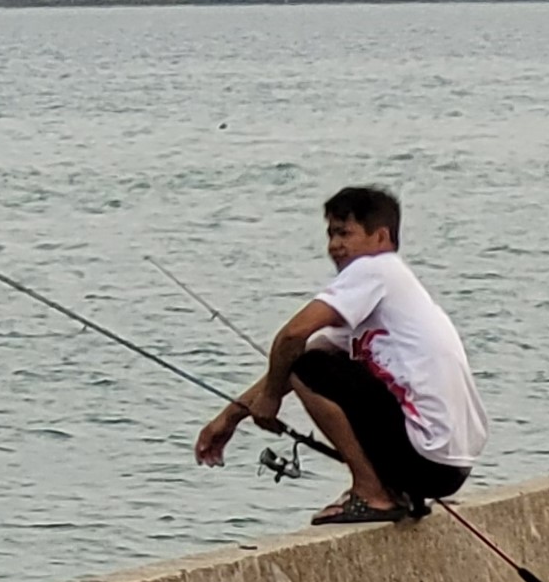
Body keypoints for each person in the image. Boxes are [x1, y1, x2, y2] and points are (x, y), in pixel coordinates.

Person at [193, 184, 490, 524]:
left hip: (427, 457)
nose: (335, 246)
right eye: (331, 234)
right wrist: (231, 416)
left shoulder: (376, 270)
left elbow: (292, 336)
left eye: (345, 233)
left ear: (381, 237)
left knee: (307, 368)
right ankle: (387, 489)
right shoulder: (394, 290)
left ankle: (371, 493)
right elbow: (310, 348)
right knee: (310, 362)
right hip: (449, 466)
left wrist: (272, 397)